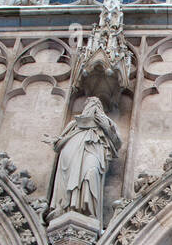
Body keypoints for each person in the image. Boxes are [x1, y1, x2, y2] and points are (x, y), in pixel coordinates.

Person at [47, 96, 120, 224]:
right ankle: (66, 207)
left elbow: (117, 142)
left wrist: (106, 128)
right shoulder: (74, 124)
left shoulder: (106, 122)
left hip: (94, 151)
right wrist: (55, 142)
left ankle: (89, 210)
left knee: (91, 173)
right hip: (73, 152)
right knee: (70, 178)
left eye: (96, 103)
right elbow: (62, 140)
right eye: (90, 103)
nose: (93, 105)